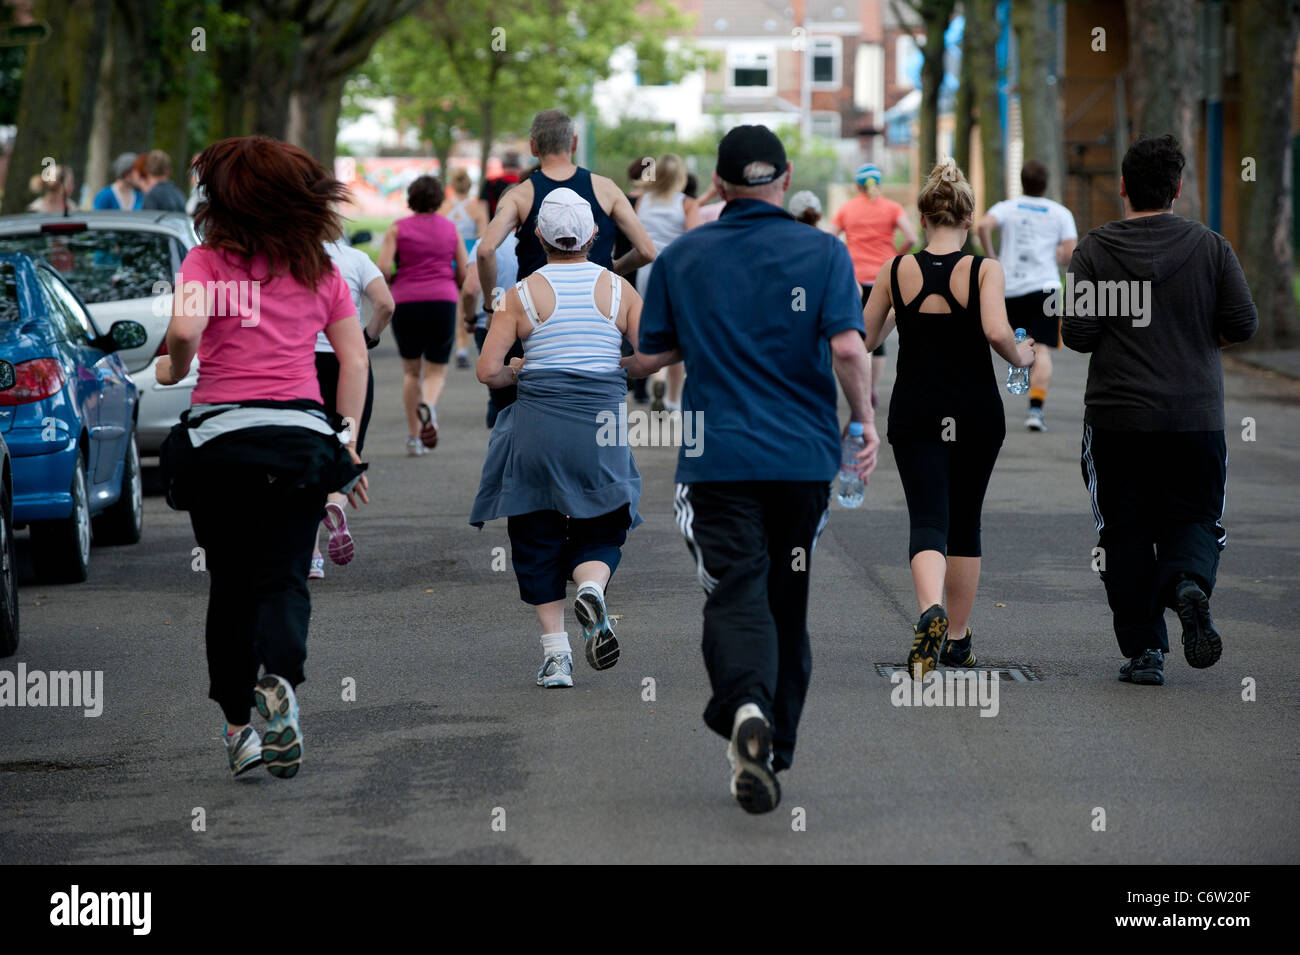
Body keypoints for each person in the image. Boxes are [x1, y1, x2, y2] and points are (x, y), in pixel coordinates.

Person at [632, 125, 878, 814]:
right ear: (786, 175)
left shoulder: (686, 256)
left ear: (718, 183)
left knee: (736, 586)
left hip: (718, 459)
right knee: (786, 598)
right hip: (802, 462)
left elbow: (651, 356)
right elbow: (851, 350)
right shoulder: (824, 251)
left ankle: (745, 707)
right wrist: (865, 423)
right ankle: (774, 741)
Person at [155, 135, 369, 780]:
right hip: (300, 442)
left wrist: (172, 366)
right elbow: (354, 359)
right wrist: (348, 439)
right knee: (283, 577)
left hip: (221, 445)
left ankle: (237, 730)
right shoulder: (321, 271)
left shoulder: (205, 263)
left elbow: (187, 334)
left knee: (230, 585)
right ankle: (280, 679)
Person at [1063, 134, 1257, 686]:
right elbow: (1244, 324)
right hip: (1194, 418)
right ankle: (1187, 584)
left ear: (1123, 188)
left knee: (1123, 530)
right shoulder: (1212, 247)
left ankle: (1146, 650)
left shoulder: (1094, 250)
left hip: (1118, 421)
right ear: (1177, 189)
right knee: (1195, 516)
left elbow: (1076, 334)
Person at [862, 158, 1032, 682]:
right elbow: (997, 331)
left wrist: (896, 312)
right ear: (967, 216)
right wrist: (1022, 357)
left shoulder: (895, 270)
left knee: (928, 518)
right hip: (976, 410)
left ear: (923, 213)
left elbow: (864, 341)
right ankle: (956, 638)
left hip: (916, 409)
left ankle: (928, 609)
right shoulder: (984, 269)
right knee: (965, 522)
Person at [470, 188, 647, 689]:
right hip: (601, 429)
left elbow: (487, 372)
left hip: (538, 431)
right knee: (605, 520)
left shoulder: (518, 294)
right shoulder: (620, 291)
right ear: (594, 235)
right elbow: (650, 355)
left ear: (537, 237)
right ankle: (591, 586)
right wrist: (619, 366)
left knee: (535, 533)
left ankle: (556, 656)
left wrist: (519, 369)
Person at [474, 109, 657, 414]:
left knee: (530, 413)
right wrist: (610, 270)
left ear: (533, 147)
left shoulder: (521, 194)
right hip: (600, 319)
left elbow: (485, 251)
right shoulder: (606, 188)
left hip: (535, 318)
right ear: (573, 142)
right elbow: (647, 251)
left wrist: (492, 303)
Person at [309, 236, 395, 579]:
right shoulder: (356, 258)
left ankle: (311, 556)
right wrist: (367, 337)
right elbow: (385, 305)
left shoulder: (289, 256)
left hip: (302, 367)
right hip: (350, 366)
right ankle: (337, 501)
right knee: (348, 446)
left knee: (307, 451)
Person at [975, 160, 1078, 431]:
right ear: (1046, 183)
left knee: (1017, 341)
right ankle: (1035, 409)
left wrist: (991, 255)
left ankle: (989, 402)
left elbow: (982, 225)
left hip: (1011, 287)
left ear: (1021, 181)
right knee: (1042, 348)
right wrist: (1057, 254)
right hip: (1046, 286)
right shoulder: (1060, 213)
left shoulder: (1007, 207)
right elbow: (1070, 254)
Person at [376, 175, 467, 455]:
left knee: (411, 370)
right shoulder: (451, 229)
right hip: (442, 300)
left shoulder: (396, 229)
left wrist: (396, 280)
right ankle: (429, 403)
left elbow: (383, 266)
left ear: (411, 199)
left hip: (406, 301)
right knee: (437, 369)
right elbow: (463, 271)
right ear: (439, 200)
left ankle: (414, 438)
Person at [833, 163, 919, 406]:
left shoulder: (847, 209)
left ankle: (858, 387)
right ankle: (871, 389)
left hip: (855, 279)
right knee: (877, 337)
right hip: (886, 278)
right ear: (878, 183)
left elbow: (830, 238)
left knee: (859, 334)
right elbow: (912, 237)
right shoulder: (892, 208)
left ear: (857, 186)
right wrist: (895, 257)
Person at [634, 153, 699, 413]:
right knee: (677, 336)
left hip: (646, 271)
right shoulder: (686, 204)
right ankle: (673, 401)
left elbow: (635, 236)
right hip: (675, 274)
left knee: (649, 329)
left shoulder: (642, 201)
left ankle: (656, 378)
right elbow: (695, 242)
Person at [460, 216, 519, 428]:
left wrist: (469, 318)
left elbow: (470, 289)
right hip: (529, 326)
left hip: (491, 325)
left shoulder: (485, 244)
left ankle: (500, 451)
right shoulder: (538, 244)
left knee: (499, 395)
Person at [441, 167, 489, 369]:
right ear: (470, 187)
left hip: (447, 256)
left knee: (448, 306)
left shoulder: (443, 207)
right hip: (467, 257)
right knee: (464, 305)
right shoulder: (477, 209)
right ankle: (461, 349)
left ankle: (445, 346)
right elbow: (484, 237)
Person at [482, 150, 523, 220]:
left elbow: (483, 205)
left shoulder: (491, 182)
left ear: (502, 166)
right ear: (519, 167)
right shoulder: (526, 183)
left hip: (495, 223)